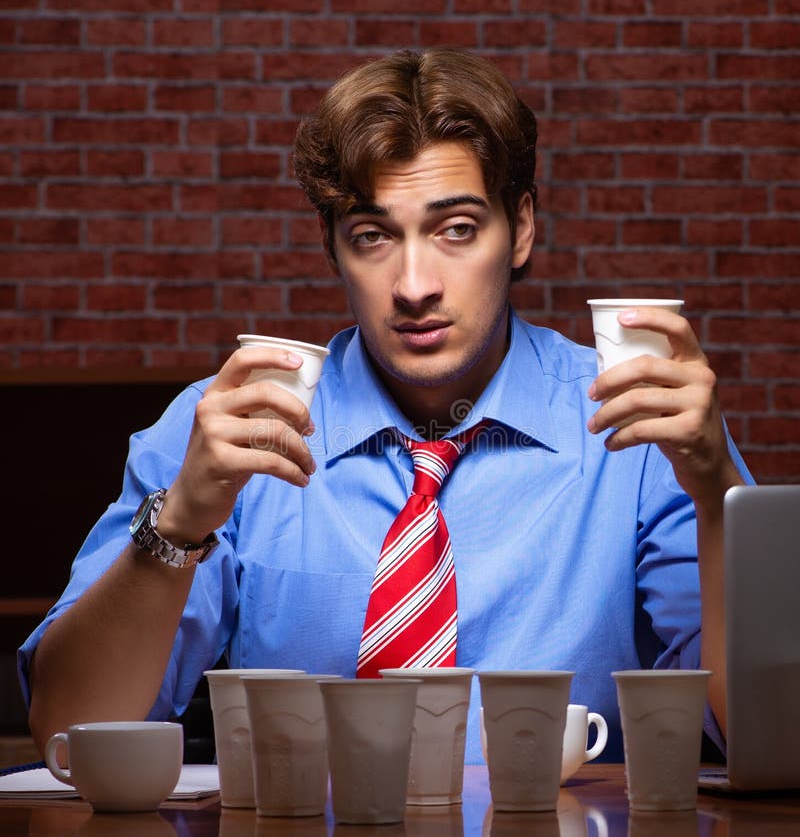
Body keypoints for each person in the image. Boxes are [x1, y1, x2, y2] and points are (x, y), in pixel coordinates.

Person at [19, 47, 751, 764]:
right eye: (372, 236)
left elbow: (758, 731)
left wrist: (718, 493)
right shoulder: (231, 426)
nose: (413, 283)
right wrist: (179, 523)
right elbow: (69, 732)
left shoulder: (643, 429)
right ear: (333, 248)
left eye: (456, 229)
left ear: (520, 228)